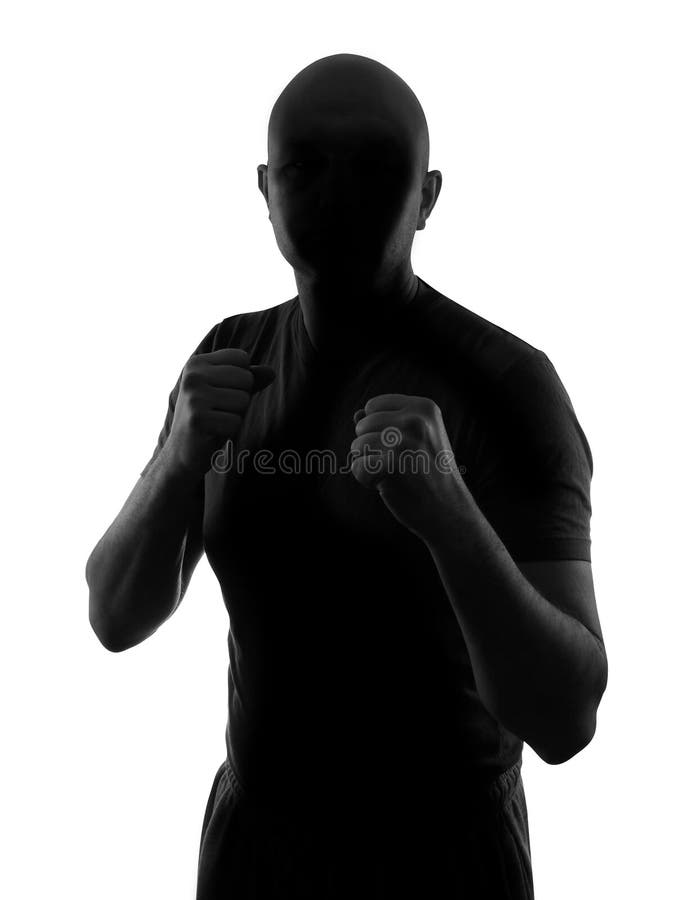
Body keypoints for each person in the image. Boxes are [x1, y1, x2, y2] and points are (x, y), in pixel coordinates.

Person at [85, 53, 608, 899]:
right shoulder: (229, 356)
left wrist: (449, 516)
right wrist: (177, 458)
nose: (337, 189)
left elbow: (566, 719)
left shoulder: (508, 386)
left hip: (447, 855)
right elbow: (114, 616)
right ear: (264, 187)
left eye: (375, 165)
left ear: (428, 196)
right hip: (254, 847)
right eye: (306, 164)